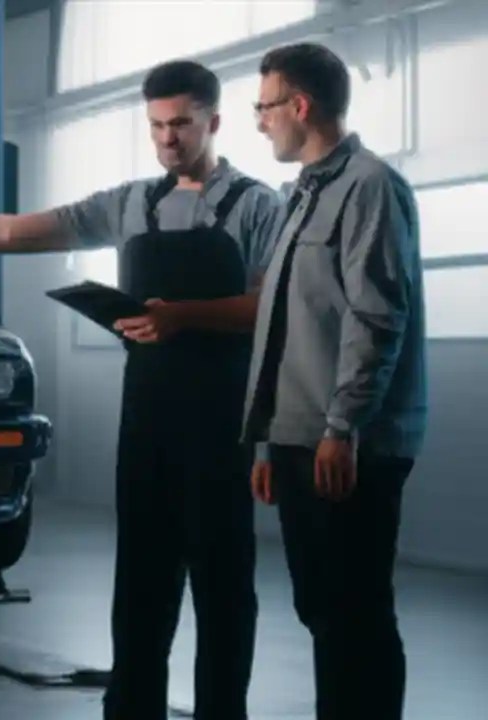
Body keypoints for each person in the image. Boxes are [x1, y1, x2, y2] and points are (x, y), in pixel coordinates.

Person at [0, 60, 284, 720]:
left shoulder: (259, 206)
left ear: (213, 121)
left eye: (181, 124)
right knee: (142, 578)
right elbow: (14, 230)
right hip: (147, 413)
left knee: (223, 581)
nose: (168, 138)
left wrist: (181, 316)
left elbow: (269, 308)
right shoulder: (131, 203)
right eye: (156, 125)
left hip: (221, 417)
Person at [242, 42, 426, 720]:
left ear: (300, 105)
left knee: (355, 611)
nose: (258, 121)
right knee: (322, 608)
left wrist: (342, 427)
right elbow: (285, 325)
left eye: (264, 106)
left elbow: (375, 316)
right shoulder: (302, 194)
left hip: (348, 441)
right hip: (299, 435)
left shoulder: (369, 185)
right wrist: (270, 439)